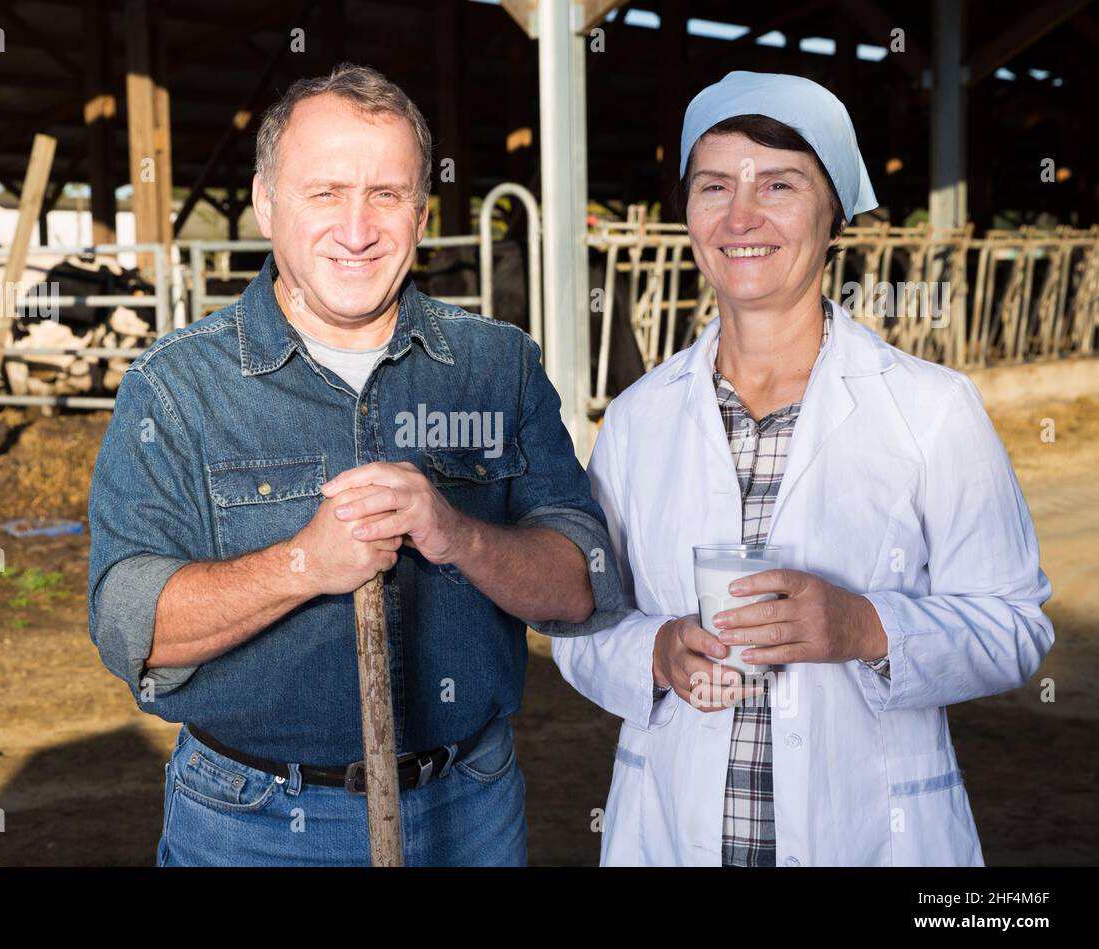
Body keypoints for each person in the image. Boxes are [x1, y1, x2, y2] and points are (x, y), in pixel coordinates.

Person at [87, 64, 622, 866]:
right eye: (325, 192)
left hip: (467, 810)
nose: (358, 228)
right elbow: (131, 624)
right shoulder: (179, 386)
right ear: (267, 205)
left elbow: (584, 581)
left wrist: (457, 535)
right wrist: (305, 563)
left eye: (386, 195)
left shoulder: (496, 366)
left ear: (422, 212)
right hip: (252, 823)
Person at [551, 71, 1054, 866]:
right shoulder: (639, 417)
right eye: (713, 185)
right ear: (687, 211)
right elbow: (584, 624)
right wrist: (654, 652)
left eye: (779, 184)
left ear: (834, 215)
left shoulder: (931, 409)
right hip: (674, 833)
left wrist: (868, 628)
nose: (740, 216)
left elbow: (1016, 626)